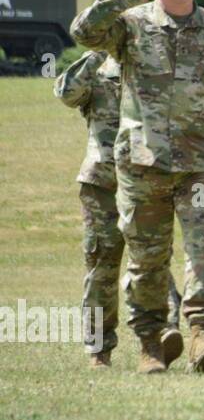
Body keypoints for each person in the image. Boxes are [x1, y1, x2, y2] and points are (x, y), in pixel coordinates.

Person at [70, 0, 204, 374]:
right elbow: (83, 31)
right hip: (142, 163)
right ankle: (151, 341)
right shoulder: (131, 27)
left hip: (201, 163)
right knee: (146, 258)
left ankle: (201, 332)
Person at [54, 50, 127, 368]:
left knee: (153, 265)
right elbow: (66, 94)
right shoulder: (97, 70)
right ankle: (99, 348)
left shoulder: (157, 62)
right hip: (103, 183)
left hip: (152, 179)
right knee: (102, 267)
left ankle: (157, 339)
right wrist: (98, 53)